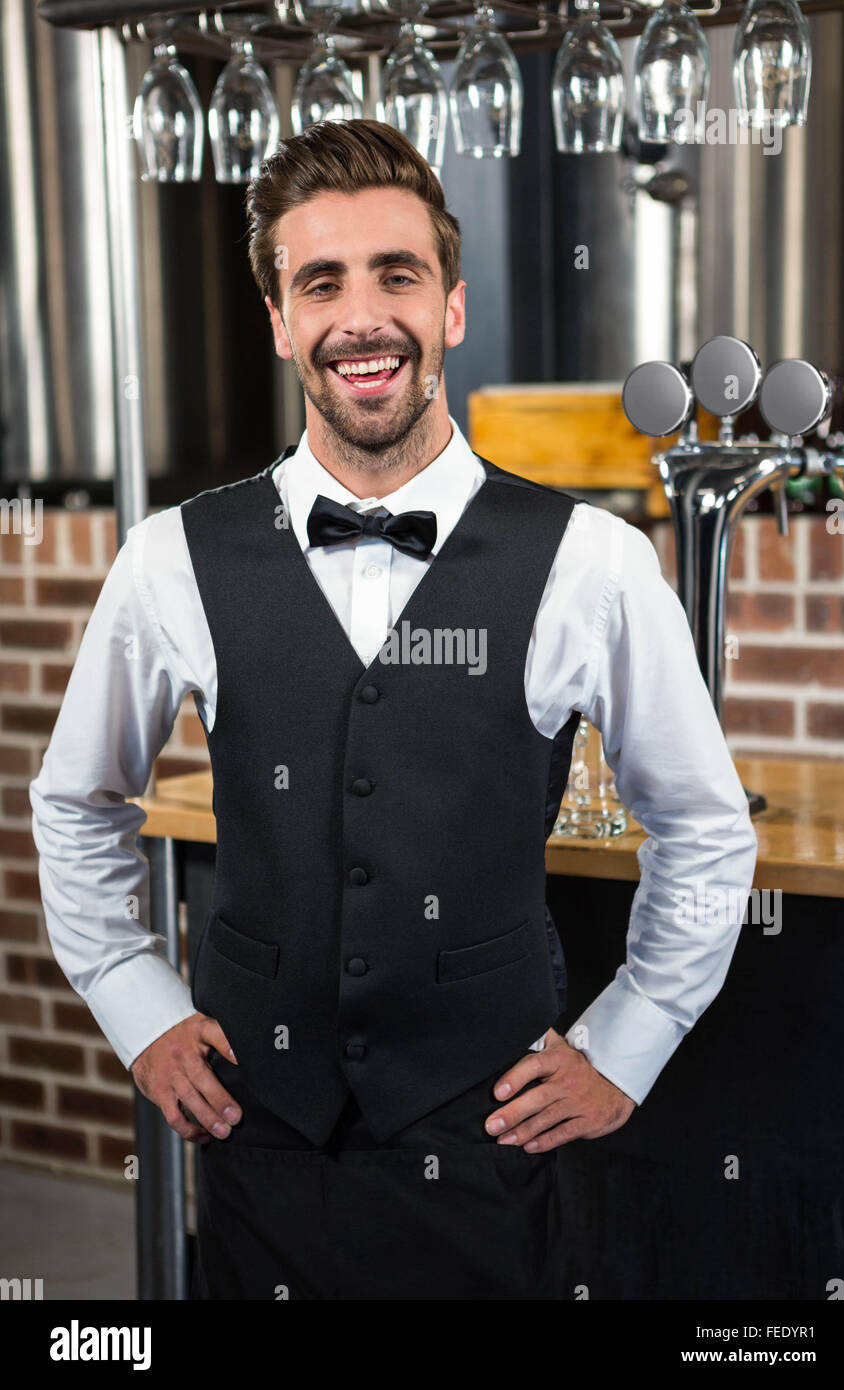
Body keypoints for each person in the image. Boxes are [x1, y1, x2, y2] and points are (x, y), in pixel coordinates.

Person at [30, 119, 757, 1301]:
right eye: (320, 282)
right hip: (258, 1131)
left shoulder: (593, 560)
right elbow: (74, 802)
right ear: (280, 321)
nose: (360, 317)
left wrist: (628, 1043)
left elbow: (707, 828)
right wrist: (136, 1004)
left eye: (396, 275)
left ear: (451, 308)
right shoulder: (170, 557)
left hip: (490, 1140)